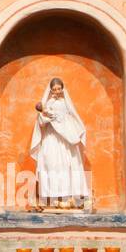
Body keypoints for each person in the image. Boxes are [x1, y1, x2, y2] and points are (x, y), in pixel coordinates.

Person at [31, 77, 90, 207]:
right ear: (51, 90)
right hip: (52, 137)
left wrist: (72, 128)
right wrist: (46, 116)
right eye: (54, 89)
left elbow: (73, 117)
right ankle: (52, 198)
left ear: (62, 88)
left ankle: (70, 196)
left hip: (65, 138)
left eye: (59, 88)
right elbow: (41, 121)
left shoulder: (66, 102)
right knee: (52, 164)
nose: (57, 91)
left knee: (68, 164)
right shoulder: (48, 104)